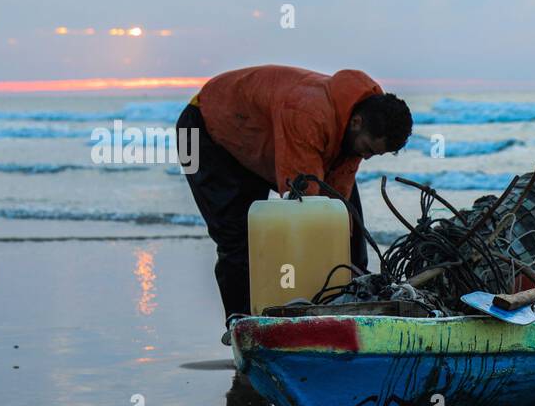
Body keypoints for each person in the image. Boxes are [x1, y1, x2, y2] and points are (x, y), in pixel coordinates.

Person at [176, 65, 412, 340]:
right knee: (238, 238)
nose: (368, 158)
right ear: (356, 122)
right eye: (368, 150)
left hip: (259, 137)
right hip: (203, 132)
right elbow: (306, 209)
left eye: (375, 154)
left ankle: (346, 317)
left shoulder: (361, 119)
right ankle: (243, 329)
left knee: (349, 234)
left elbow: (337, 209)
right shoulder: (307, 113)